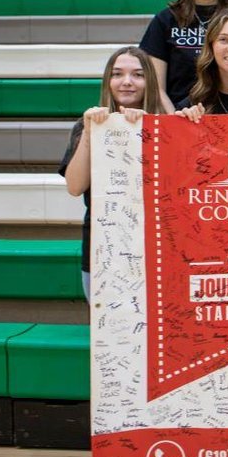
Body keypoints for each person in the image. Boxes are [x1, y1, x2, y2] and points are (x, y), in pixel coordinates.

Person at [60, 46, 166, 298]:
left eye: (138, 75)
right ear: (108, 81)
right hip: (102, 252)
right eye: (117, 74)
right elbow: (75, 187)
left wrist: (145, 132)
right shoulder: (87, 125)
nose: (127, 82)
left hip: (157, 251)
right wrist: (89, 131)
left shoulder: (166, 126)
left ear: (149, 80)